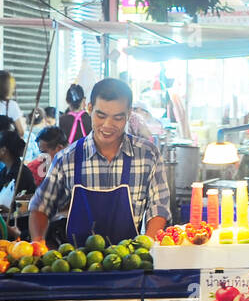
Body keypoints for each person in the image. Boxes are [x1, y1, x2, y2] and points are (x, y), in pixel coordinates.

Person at [30, 78, 171, 247]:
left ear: (128, 115)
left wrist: (146, 248)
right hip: (77, 266)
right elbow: (41, 206)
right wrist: (38, 242)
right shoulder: (67, 159)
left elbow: (159, 209)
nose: (107, 125)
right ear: (89, 108)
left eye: (118, 118)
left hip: (130, 265)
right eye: (101, 115)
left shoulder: (148, 155)